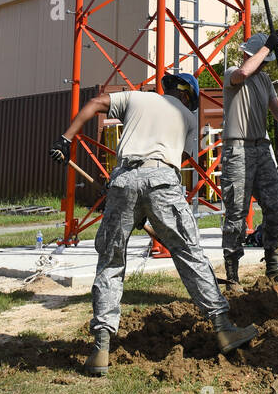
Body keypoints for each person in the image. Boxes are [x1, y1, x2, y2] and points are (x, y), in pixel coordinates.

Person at [51, 72, 257, 375]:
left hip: (122, 181)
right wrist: (153, 204)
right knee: (189, 254)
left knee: (110, 262)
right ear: (189, 96)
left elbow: (95, 103)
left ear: (170, 88)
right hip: (163, 180)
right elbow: (180, 160)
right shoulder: (187, 116)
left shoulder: (137, 97)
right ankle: (224, 328)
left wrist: (65, 140)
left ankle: (100, 349)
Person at [220, 31, 278, 291]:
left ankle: (274, 266)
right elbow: (243, 74)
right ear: (251, 54)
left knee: (276, 206)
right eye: (263, 59)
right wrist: (266, 48)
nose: (265, 65)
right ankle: (232, 274)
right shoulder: (232, 73)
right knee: (237, 212)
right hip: (237, 149)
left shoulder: (265, 80)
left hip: (261, 148)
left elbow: (277, 110)